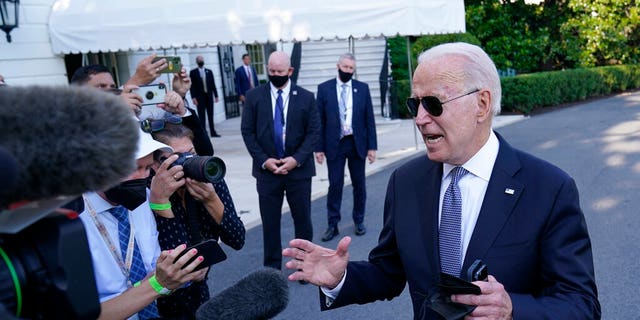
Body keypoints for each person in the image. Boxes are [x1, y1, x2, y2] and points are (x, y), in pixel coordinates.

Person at [282, 42, 601, 319]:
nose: (420, 118)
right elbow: (389, 272)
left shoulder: (548, 188)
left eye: (433, 104)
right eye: (414, 104)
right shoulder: (405, 181)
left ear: (482, 104)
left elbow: (581, 305)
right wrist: (341, 278)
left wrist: (512, 309)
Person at [80, 128, 209, 320]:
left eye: (147, 167)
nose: (142, 176)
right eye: (132, 167)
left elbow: (160, 268)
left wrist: (182, 271)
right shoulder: (70, 220)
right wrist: (157, 284)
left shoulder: (147, 199)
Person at [149, 122, 246, 319]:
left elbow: (237, 239)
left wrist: (211, 200)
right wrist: (161, 201)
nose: (189, 162)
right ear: (157, 165)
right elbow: (177, 258)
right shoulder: (149, 191)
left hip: (200, 293)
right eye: (180, 157)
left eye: (191, 153)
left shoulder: (207, 176)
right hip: (158, 299)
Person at [240, 51, 320, 271]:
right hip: (267, 173)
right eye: (271, 71)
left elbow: (313, 133)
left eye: (280, 72)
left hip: (299, 172)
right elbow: (247, 132)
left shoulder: (306, 97)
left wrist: (296, 160)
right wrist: (265, 161)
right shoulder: (254, 96)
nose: (275, 75)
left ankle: (305, 266)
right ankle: (272, 269)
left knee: (303, 221)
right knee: (270, 223)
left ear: (290, 71)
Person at [315, 53, 377, 241]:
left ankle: (359, 220)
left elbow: (369, 119)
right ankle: (332, 224)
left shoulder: (362, 89)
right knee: (335, 184)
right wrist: (318, 148)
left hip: (357, 143)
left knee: (359, 184)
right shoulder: (324, 89)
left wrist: (372, 147)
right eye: (345, 67)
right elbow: (319, 121)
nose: (348, 71)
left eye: (351, 68)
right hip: (335, 144)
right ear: (338, 66)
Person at [189, 55, 221, 137]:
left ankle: (213, 132)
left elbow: (213, 84)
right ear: (196, 62)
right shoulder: (193, 72)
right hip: (200, 98)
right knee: (201, 116)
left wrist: (216, 95)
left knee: (211, 115)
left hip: (209, 97)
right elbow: (192, 86)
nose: (201, 61)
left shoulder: (209, 71)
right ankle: (204, 133)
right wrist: (193, 97)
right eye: (199, 60)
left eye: (202, 59)